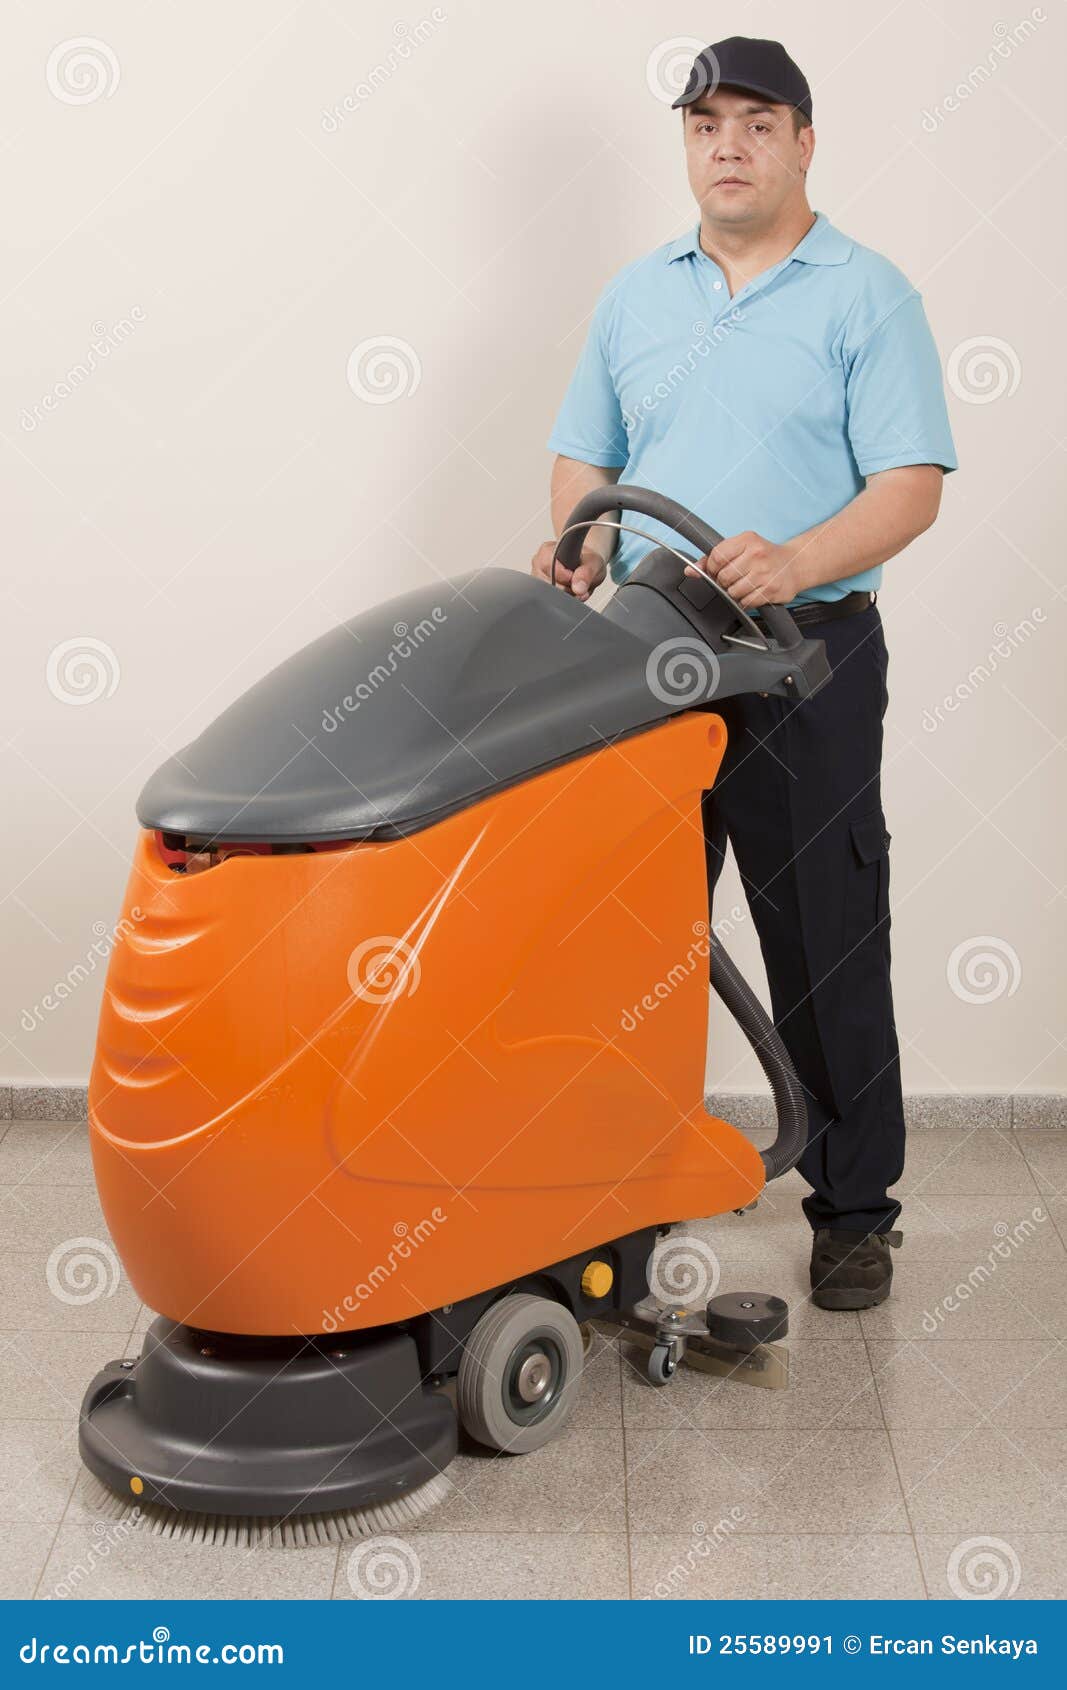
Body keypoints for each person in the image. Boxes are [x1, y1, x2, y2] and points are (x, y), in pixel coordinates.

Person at [531, 36, 957, 1309]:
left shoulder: (863, 295)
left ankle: (852, 1208)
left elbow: (909, 487)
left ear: (803, 141)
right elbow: (580, 453)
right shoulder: (634, 294)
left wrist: (801, 557)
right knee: (628, 940)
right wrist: (583, 532)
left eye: (757, 123)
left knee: (820, 936)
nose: (727, 145)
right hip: (643, 654)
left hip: (798, 656)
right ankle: (615, 1191)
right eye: (706, 123)